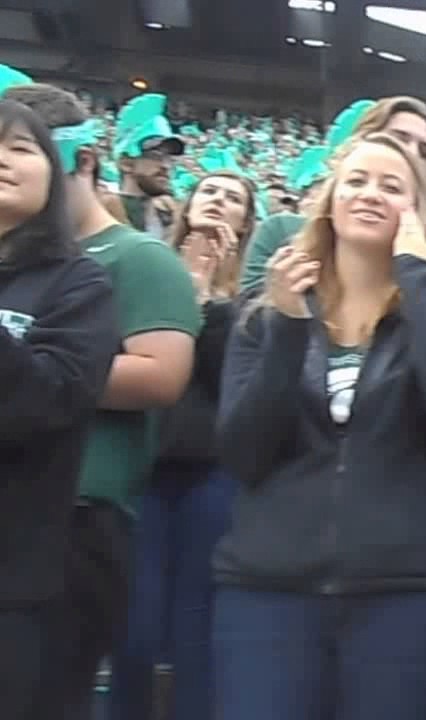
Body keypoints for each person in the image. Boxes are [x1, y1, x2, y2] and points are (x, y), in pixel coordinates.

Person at [213, 133, 426, 720]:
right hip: (267, 593)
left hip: (404, 595)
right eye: (357, 180)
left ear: (416, 213)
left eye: (393, 187)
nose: (370, 194)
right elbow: (243, 453)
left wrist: (418, 276)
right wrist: (288, 331)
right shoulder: (266, 318)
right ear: (331, 198)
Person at [5, 81, 203, 720]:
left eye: (20, 146)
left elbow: (160, 375)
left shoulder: (130, 259)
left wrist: (54, 359)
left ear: (74, 161)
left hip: (74, 516)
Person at [109, 169, 258, 720]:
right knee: (134, 628)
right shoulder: (143, 273)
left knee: (199, 629)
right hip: (140, 471)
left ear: (246, 223)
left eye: (234, 198)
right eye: (211, 192)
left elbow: (231, 378)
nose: (220, 202)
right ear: (189, 204)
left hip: (212, 478)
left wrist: (202, 298)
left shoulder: (256, 299)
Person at [0, 96, 118, 720]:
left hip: (17, 577)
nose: (2, 159)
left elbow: (50, 399)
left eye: (21, 147)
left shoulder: (78, 285)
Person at [238, 96, 426, 305]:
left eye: (425, 152)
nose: (412, 153)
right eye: (399, 138)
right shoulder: (281, 232)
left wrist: (418, 276)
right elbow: (246, 335)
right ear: (357, 144)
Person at [106, 93, 185, 240]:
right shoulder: (102, 217)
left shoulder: (171, 219)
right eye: (156, 156)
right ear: (126, 163)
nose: (166, 166)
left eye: (169, 158)